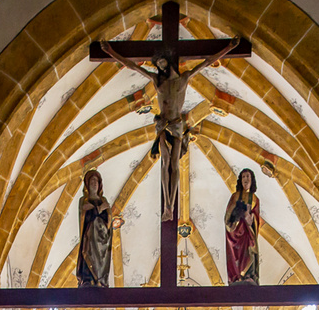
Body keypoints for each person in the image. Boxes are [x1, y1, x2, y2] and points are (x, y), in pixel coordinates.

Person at [101, 37, 242, 221]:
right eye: (158, 65)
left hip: (176, 125)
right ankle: (167, 206)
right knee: (165, 162)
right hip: (163, 125)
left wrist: (228, 48)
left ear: (168, 62)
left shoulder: (184, 78)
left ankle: (170, 205)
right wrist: (111, 52)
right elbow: (134, 67)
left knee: (174, 165)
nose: (160, 67)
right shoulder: (157, 81)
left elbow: (206, 62)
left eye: (162, 63)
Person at [76, 169, 113, 287]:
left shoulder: (103, 200)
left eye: (96, 182)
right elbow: (85, 216)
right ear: (87, 185)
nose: (94, 184)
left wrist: (96, 210)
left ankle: (100, 280)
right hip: (90, 235)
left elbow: (108, 219)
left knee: (101, 260)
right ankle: (88, 279)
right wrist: (99, 209)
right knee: (88, 254)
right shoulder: (84, 200)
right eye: (92, 182)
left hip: (102, 236)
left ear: (99, 185)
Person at [224, 167, 260, 284]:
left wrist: (251, 219)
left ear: (252, 180)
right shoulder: (235, 196)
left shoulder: (255, 199)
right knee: (236, 255)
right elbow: (228, 216)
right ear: (240, 180)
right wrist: (238, 215)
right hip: (236, 231)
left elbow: (256, 218)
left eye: (248, 176)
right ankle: (237, 277)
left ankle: (249, 275)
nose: (246, 179)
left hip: (248, 233)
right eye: (243, 177)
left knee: (250, 251)